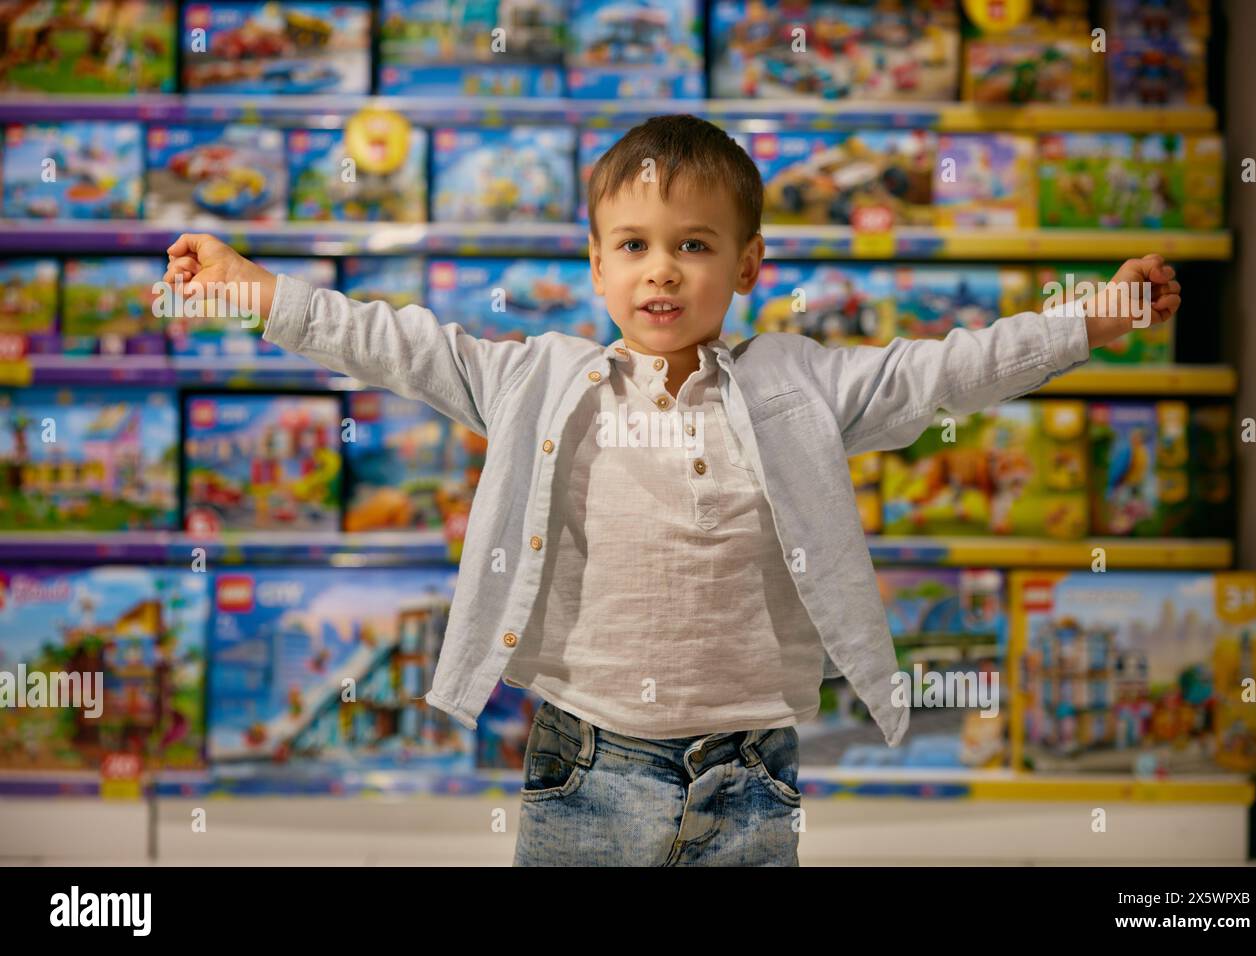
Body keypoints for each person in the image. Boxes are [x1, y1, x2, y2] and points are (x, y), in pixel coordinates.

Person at [162, 114, 1179, 867]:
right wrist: (255, 288)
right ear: (596, 264)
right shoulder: (541, 377)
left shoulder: (799, 384)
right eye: (636, 246)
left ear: (747, 264)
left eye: (694, 245)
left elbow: (945, 370)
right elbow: (394, 342)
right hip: (584, 759)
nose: (663, 271)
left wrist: (1088, 319)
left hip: (751, 767)